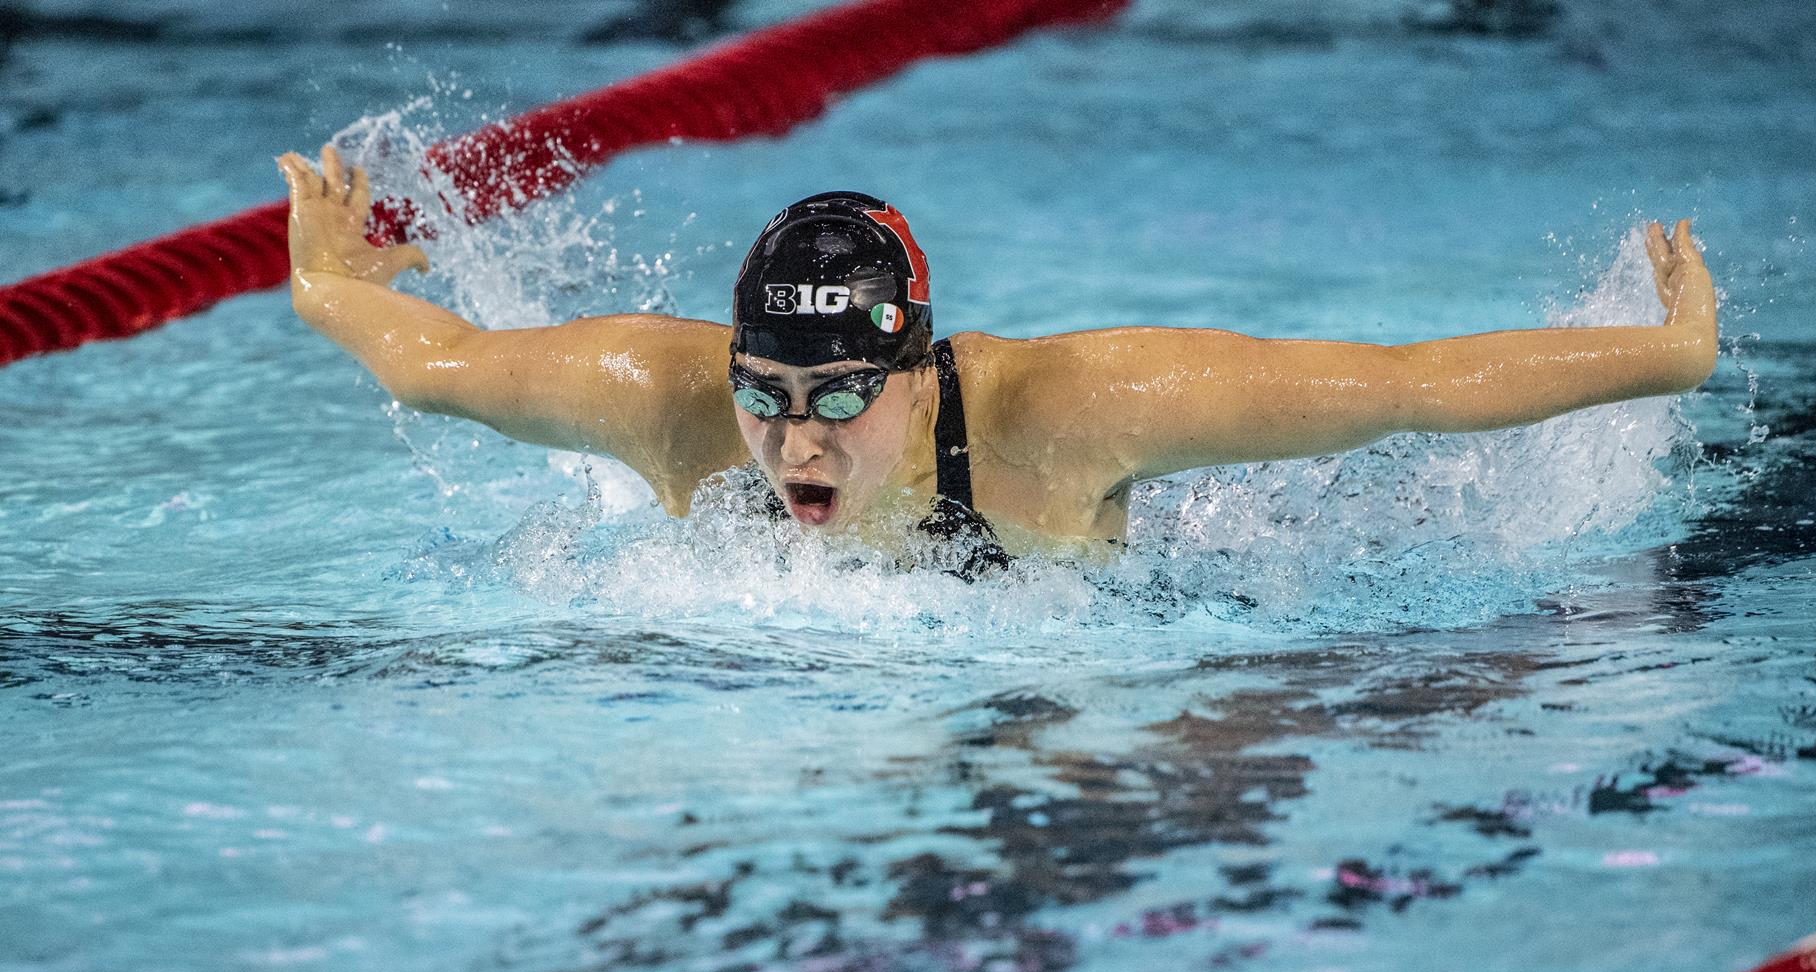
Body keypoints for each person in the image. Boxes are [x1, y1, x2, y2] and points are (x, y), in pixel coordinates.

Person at [278, 144, 1717, 568]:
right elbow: (440, 367)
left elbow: (1406, 388)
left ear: (918, 370)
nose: (792, 447)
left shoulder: (1069, 416)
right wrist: (323, 275)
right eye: (765, 399)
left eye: (840, 399)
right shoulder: (664, 405)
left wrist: (1668, 356)